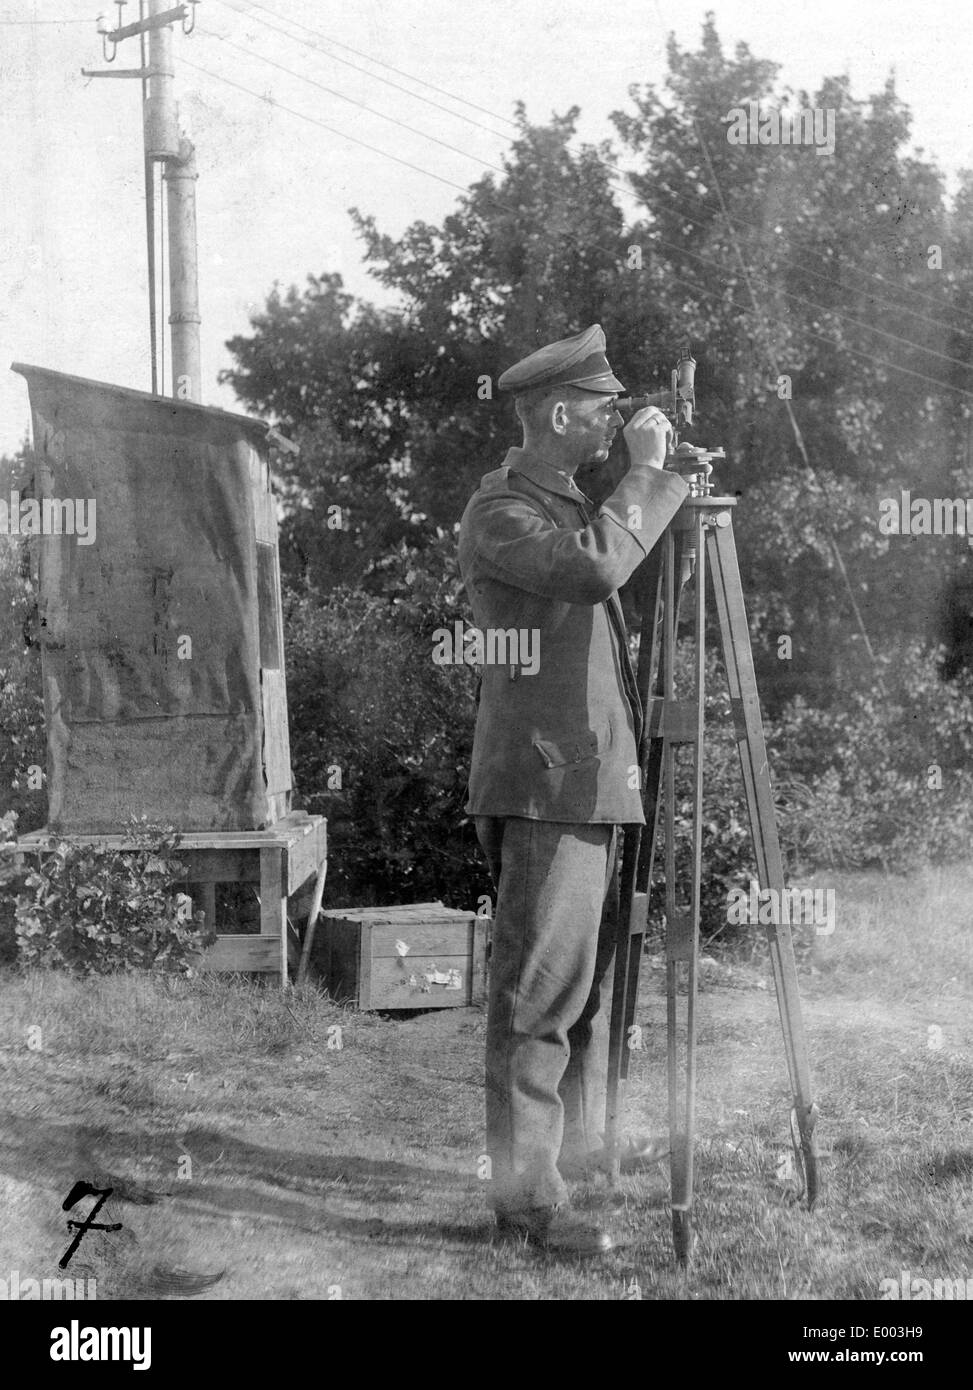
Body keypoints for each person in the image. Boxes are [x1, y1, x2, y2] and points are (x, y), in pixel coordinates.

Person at [458, 324, 689, 1256]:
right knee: (538, 1002)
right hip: (548, 783)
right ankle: (527, 1208)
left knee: (585, 997)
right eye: (601, 410)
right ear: (559, 412)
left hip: (593, 782)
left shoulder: (564, 504)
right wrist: (646, 475)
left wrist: (655, 485)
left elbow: (611, 560)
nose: (612, 425)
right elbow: (593, 568)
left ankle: (572, 1164)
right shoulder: (503, 512)